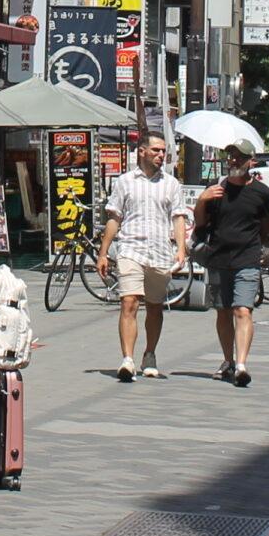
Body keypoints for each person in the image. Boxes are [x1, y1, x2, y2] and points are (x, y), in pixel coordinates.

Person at [94, 132, 190, 380]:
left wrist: (181, 248)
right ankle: (127, 359)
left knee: (155, 307)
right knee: (129, 301)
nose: (161, 155)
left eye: (163, 151)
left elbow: (178, 216)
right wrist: (104, 253)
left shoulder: (171, 184)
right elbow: (114, 218)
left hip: (160, 251)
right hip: (130, 249)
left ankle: (150, 353)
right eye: (156, 150)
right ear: (142, 151)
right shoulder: (124, 182)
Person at [192, 142, 269, 388]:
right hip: (218, 258)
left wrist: (256, 248)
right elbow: (199, 223)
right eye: (231, 156)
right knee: (223, 311)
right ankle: (228, 360)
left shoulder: (261, 192)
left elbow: (265, 226)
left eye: (240, 157)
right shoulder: (216, 190)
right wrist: (202, 199)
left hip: (247, 258)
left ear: (252, 161)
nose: (234, 161)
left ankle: (241, 365)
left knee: (243, 310)